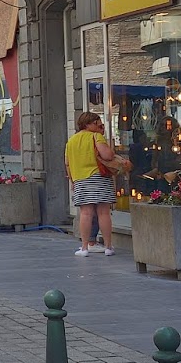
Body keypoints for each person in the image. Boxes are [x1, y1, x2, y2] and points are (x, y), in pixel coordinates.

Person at [66, 110, 124, 257]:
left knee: (85, 213)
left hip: (80, 179)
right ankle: (108, 246)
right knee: (103, 212)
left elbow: (67, 164)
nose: (100, 126)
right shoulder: (96, 136)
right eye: (97, 123)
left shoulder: (71, 141)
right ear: (87, 124)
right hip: (98, 177)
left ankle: (84, 247)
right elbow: (107, 155)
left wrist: (73, 180)